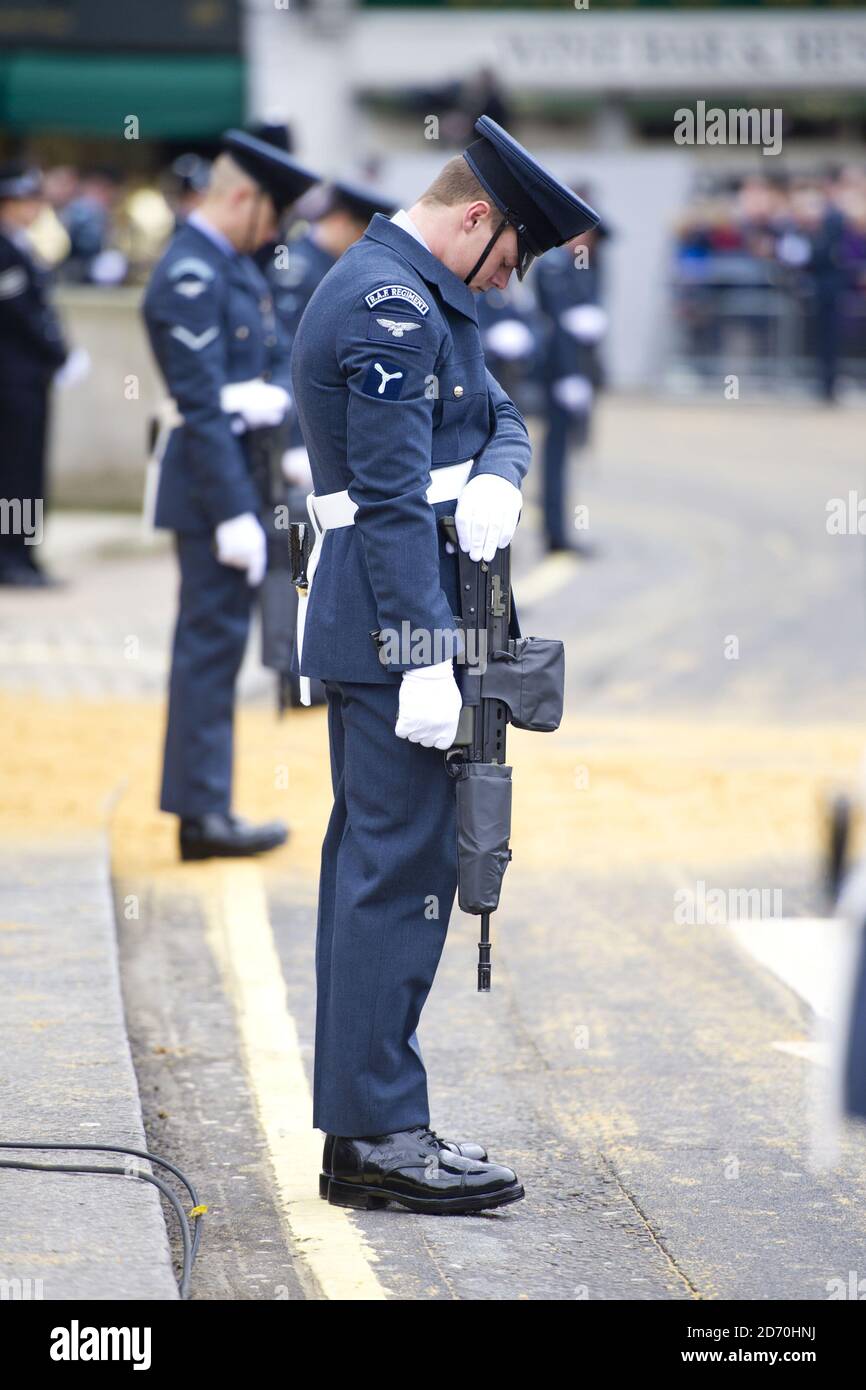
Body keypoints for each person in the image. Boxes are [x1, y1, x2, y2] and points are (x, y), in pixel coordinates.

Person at [291, 116, 598, 1213]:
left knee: (387, 867)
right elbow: (382, 499)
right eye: (509, 255)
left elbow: (501, 414)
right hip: (392, 633)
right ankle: (378, 1135)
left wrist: (497, 478)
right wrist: (425, 659)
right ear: (476, 217)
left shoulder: (429, 294)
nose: (507, 280)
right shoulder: (385, 302)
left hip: (415, 617)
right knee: (395, 876)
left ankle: (366, 1123)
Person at [142, 130, 320, 861]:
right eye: (270, 216)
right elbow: (203, 404)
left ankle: (207, 805)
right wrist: (233, 514)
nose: (274, 233)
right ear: (242, 197)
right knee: (208, 651)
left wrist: (273, 403)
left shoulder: (227, 266)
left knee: (221, 646)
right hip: (214, 490)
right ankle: (200, 815)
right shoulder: (190, 271)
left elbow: (274, 358)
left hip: (245, 476)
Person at [256, 176, 397, 709]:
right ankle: (290, 675)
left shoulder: (330, 267)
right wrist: (295, 443)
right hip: (293, 439)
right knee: (294, 555)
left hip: (311, 441)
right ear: (340, 222)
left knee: (314, 556)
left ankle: (306, 673)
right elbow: (290, 360)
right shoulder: (302, 267)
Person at [0, 161, 75, 587]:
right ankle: (11, 554)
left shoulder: (20, 245)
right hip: (12, 381)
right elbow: (22, 315)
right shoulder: (4, 248)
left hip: (29, 378)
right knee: (14, 473)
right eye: (24, 200)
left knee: (28, 472)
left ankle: (24, 552)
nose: (32, 209)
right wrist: (57, 351)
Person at [534, 208, 609, 555]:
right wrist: (568, 377)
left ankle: (559, 530)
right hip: (558, 378)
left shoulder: (579, 271)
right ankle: (555, 533)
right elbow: (559, 330)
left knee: (565, 456)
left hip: (573, 377)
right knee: (555, 457)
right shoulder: (554, 268)